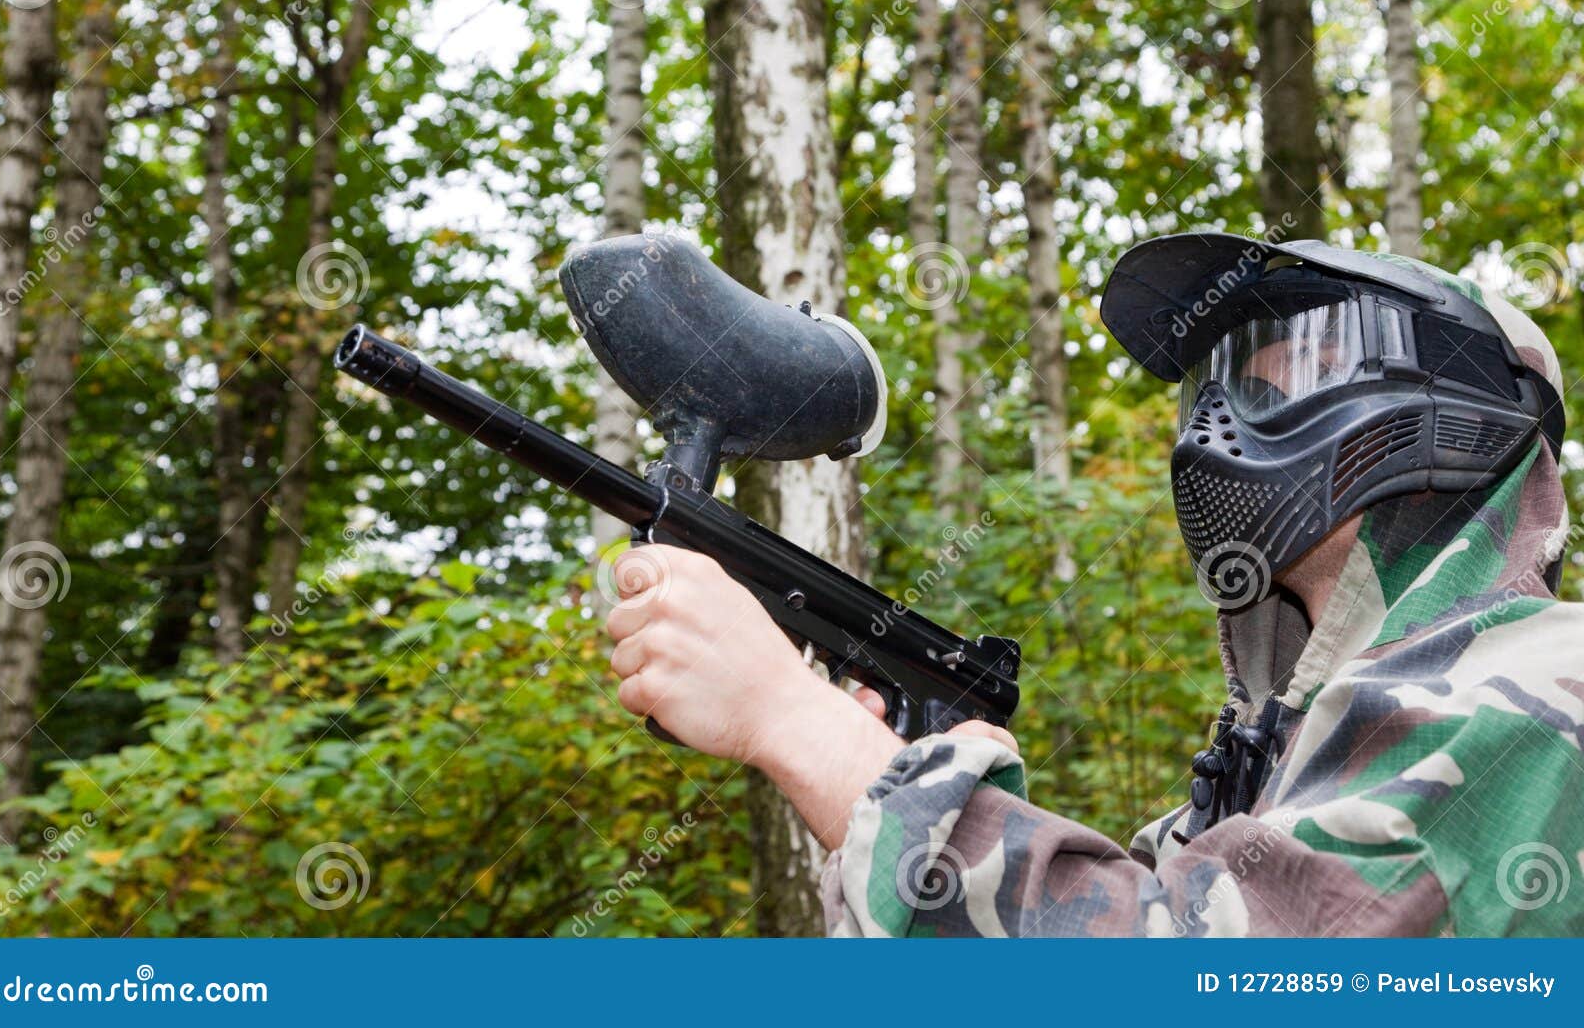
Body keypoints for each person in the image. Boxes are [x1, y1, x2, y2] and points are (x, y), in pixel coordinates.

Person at [604, 232, 1583, 936]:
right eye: (1211, 385)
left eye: (1277, 377)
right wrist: (885, 788)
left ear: (1449, 404)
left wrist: (801, 725)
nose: (1214, 424)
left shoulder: (1542, 687)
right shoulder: (1273, 768)